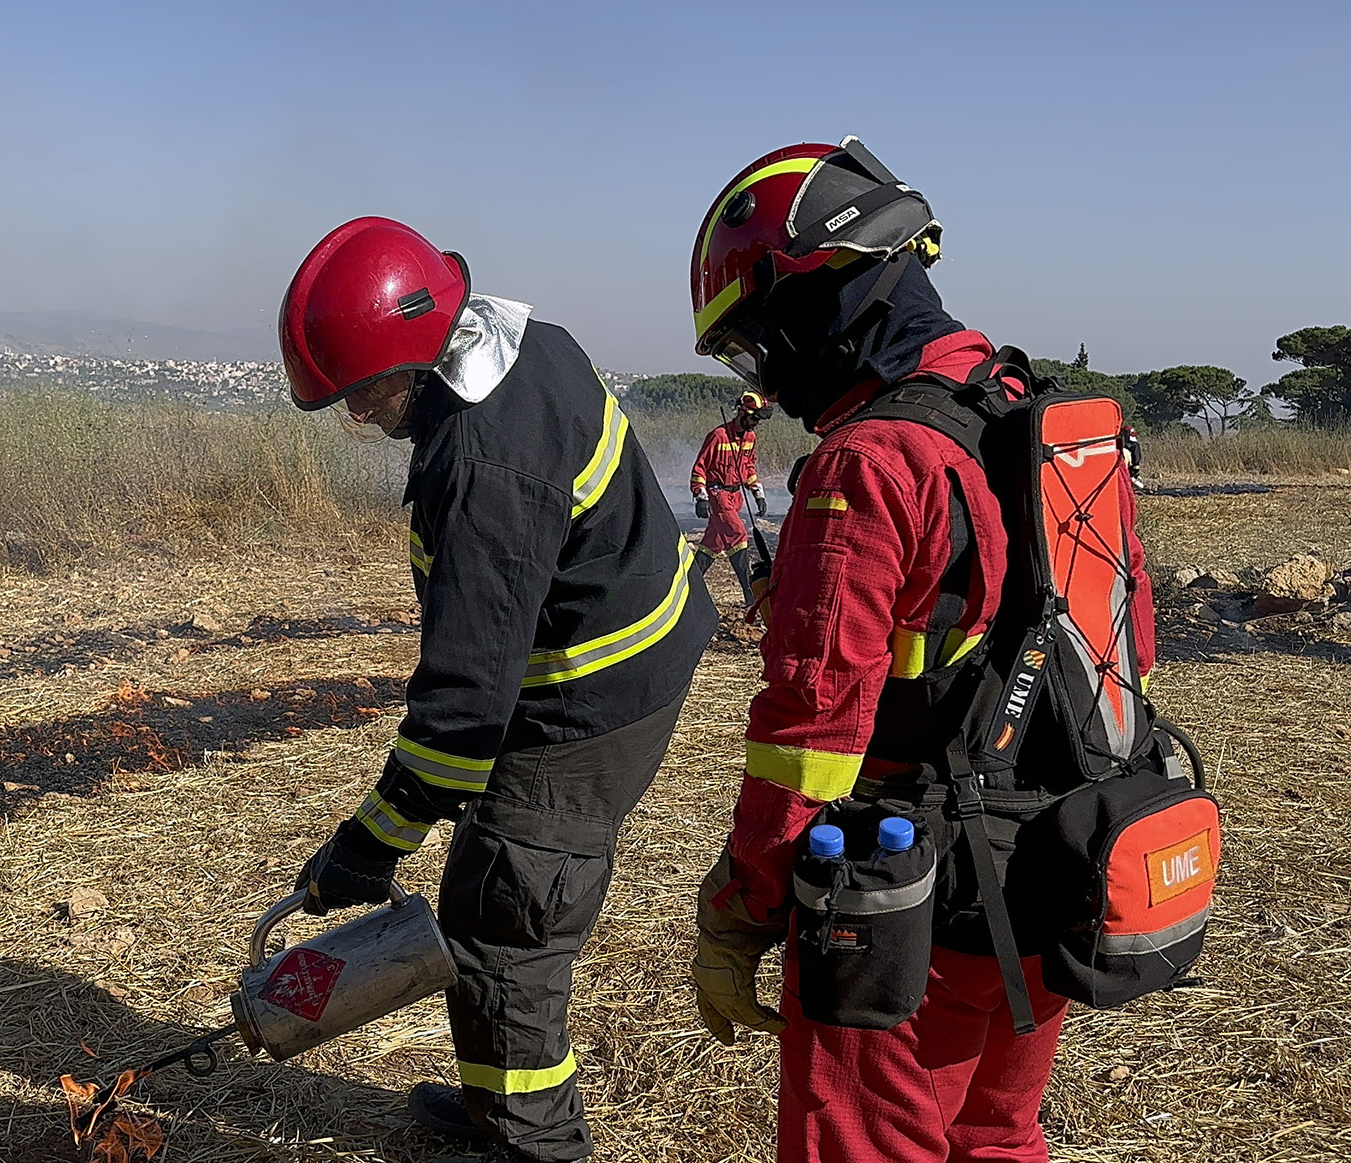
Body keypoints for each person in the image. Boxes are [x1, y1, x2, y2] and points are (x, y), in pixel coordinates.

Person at [683, 140, 1156, 1162]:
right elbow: (1128, 650)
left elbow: (808, 735)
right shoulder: (1044, 421)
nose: (767, 374)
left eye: (757, 343)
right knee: (997, 1133)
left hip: (908, 910)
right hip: (1054, 872)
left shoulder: (868, 459)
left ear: (817, 298)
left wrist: (738, 908)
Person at [278, 216, 716, 1163]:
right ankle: (498, 1109)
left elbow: (463, 706)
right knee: (489, 887)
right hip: (621, 651)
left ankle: (531, 1144)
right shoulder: (527, 344)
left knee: (507, 919)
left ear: (408, 358)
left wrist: (370, 839)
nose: (360, 418)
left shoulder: (481, 466)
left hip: (587, 700)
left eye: (360, 397)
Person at [689, 390, 770, 604]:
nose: (755, 423)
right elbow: (699, 469)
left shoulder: (751, 438)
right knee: (737, 534)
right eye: (754, 418)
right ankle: (749, 591)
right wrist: (701, 497)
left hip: (736, 497)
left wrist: (758, 493)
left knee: (713, 543)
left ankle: (689, 584)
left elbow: (749, 467)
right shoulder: (718, 436)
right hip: (718, 495)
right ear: (742, 412)